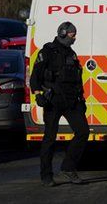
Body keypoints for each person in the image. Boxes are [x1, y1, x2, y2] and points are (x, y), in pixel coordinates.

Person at [30, 21, 89, 187]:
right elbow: (35, 77)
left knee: (83, 132)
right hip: (53, 99)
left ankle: (68, 167)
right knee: (50, 137)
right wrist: (38, 94)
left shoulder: (72, 54)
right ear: (63, 33)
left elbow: (77, 79)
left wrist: (81, 98)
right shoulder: (47, 52)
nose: (74, 38)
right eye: (72, 34)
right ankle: (46, 175)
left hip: (71, 100)